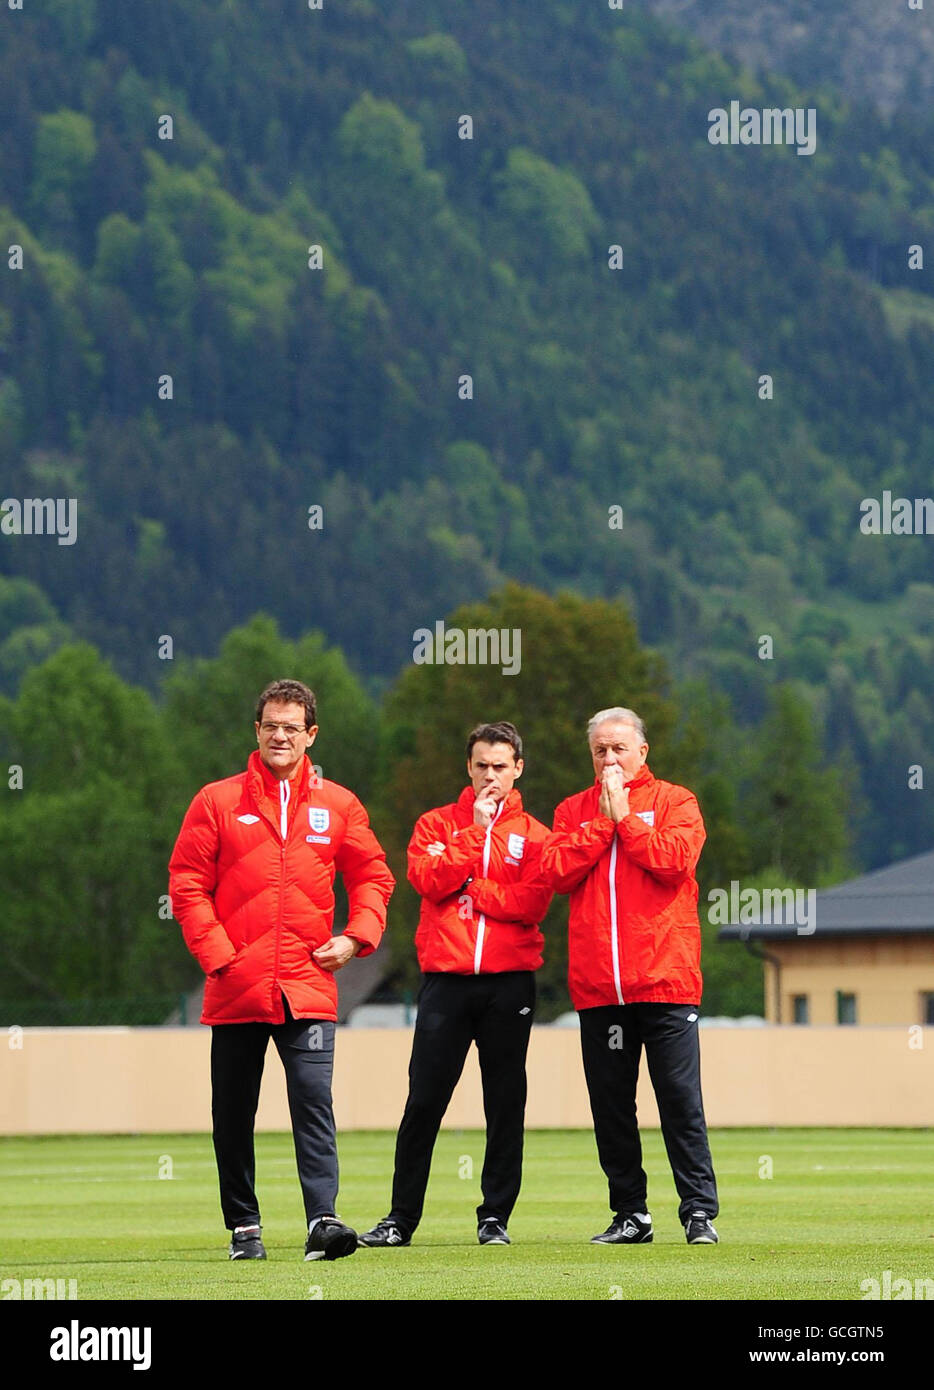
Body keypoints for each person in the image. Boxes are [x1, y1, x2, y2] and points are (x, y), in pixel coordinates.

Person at [168, 678, 394, 1262]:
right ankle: (244, 1228)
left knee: (314, 1103)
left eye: (292, 727)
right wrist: (219, 956)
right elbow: (187, 883)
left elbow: (373, 877)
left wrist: (356, 936)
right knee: (233, 1112)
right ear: (257, 731)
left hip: (309, 985)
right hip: (236, 985)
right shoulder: (217, 801)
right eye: (271, 725)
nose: (280, 735)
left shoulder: (339, 804)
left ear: (311, 734)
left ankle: (324, 1222)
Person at [358, 721, 552, 1248]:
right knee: (424, 1100)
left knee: (505, 1101)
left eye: (501, 766)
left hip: (510, 984)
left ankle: (494, 1217)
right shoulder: (436, 824)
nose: (491, 775)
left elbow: (531, 904)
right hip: (446, 981)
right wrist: (473, 833)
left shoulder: (535, 835)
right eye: (482, 765)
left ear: (518, 769)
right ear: (468, 767)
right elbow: (428, 880)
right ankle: (400, 1219)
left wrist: (472, 885)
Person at [541, 707, 719, 1246]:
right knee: (612, 1107)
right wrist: (602, 821)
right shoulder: (573, 809)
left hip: (665, 983)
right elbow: (555, 872)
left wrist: (627, 819)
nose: (609, 758)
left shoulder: (675, 801)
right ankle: (631, 1214)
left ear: (643, 752)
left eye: (619, 748)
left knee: (679, 1100)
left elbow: (674, 860)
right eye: (600, 750)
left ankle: (698, 1211)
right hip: (601, 991)